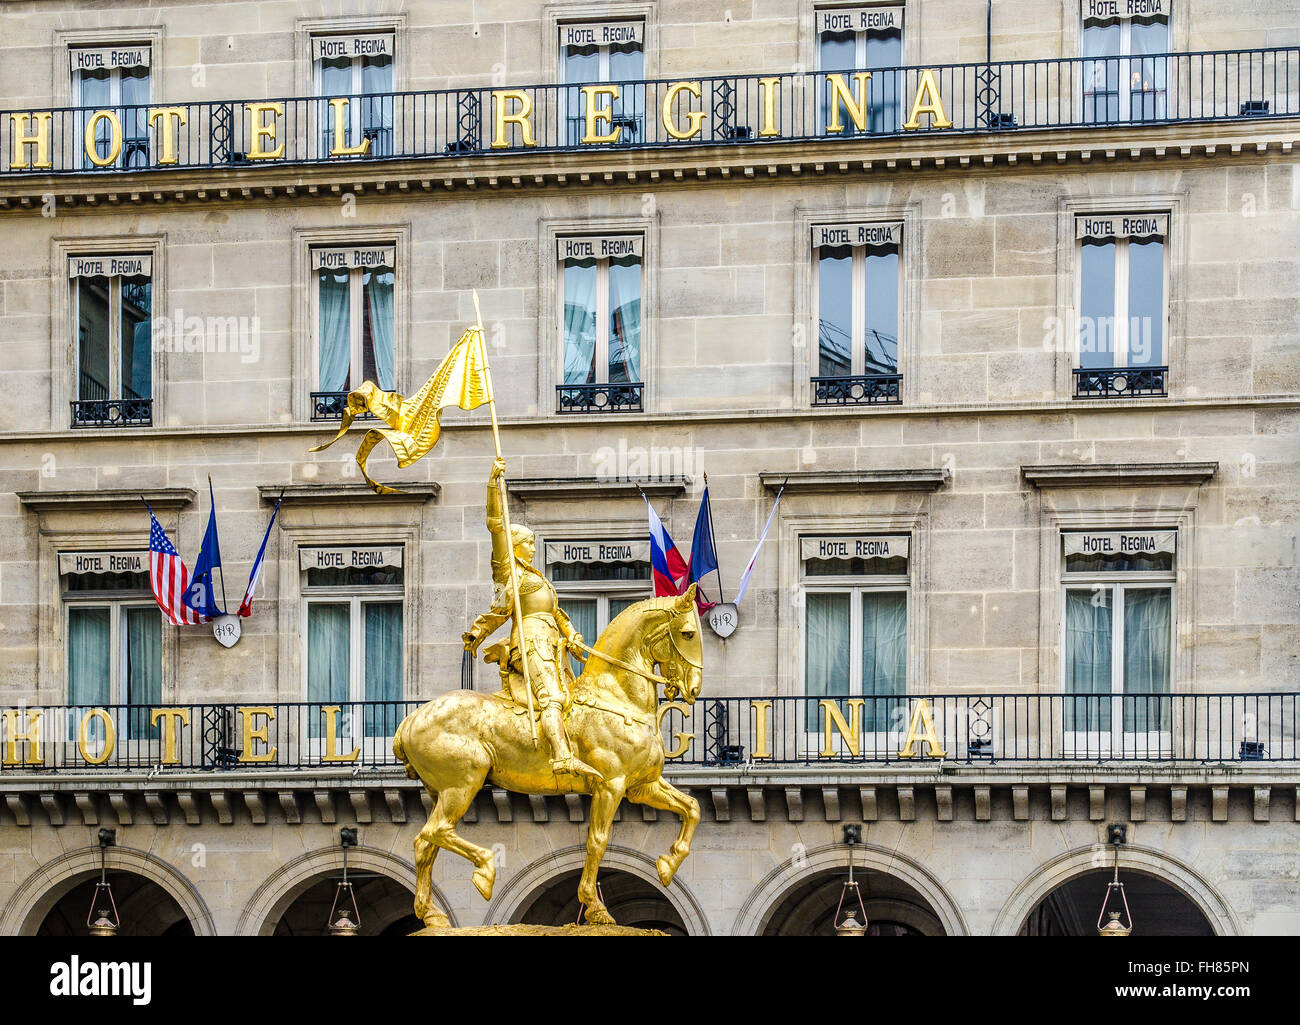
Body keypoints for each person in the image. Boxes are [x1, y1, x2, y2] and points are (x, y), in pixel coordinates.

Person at [463, 457, 603, 783]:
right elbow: (496, 525)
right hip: (530, 644)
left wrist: (574, 634)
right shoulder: (507, 570)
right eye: (528, 544)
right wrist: (493, 485)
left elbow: (557, 612)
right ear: (514, 547)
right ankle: (562, 757)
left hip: (553, 646)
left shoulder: (537, 577)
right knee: (551, 698)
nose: (532, 549)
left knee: (572, 699)